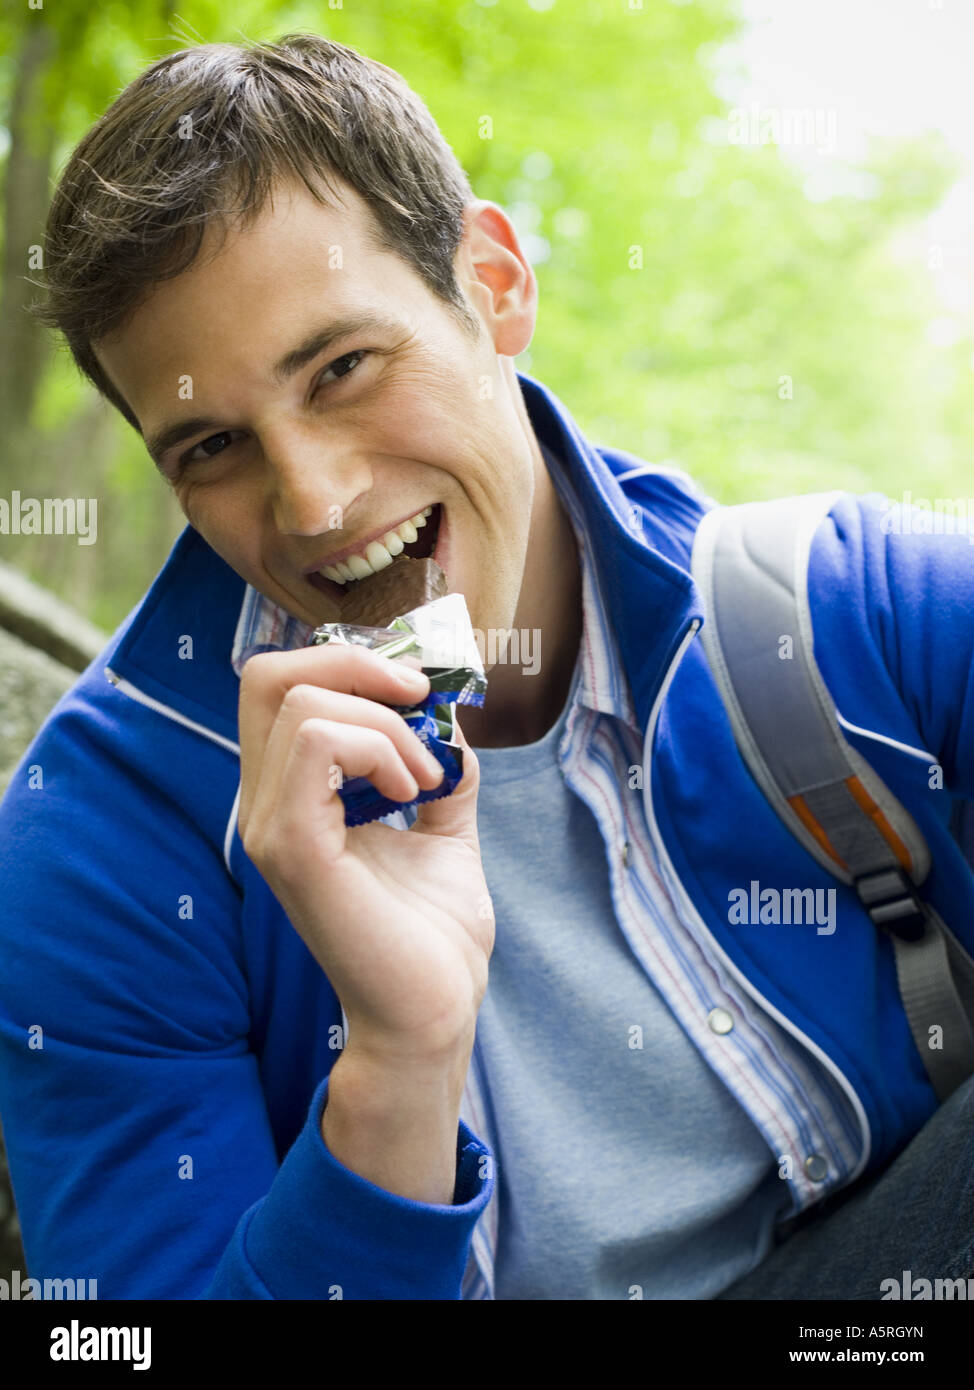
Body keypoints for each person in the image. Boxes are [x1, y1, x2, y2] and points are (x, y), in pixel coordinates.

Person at [0, 32, 972, 1301]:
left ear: (494, 284)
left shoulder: (853, 619)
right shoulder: (98, 847)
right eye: (212, 447)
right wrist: (399, 1064)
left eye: (341, 368)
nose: (314, 502)